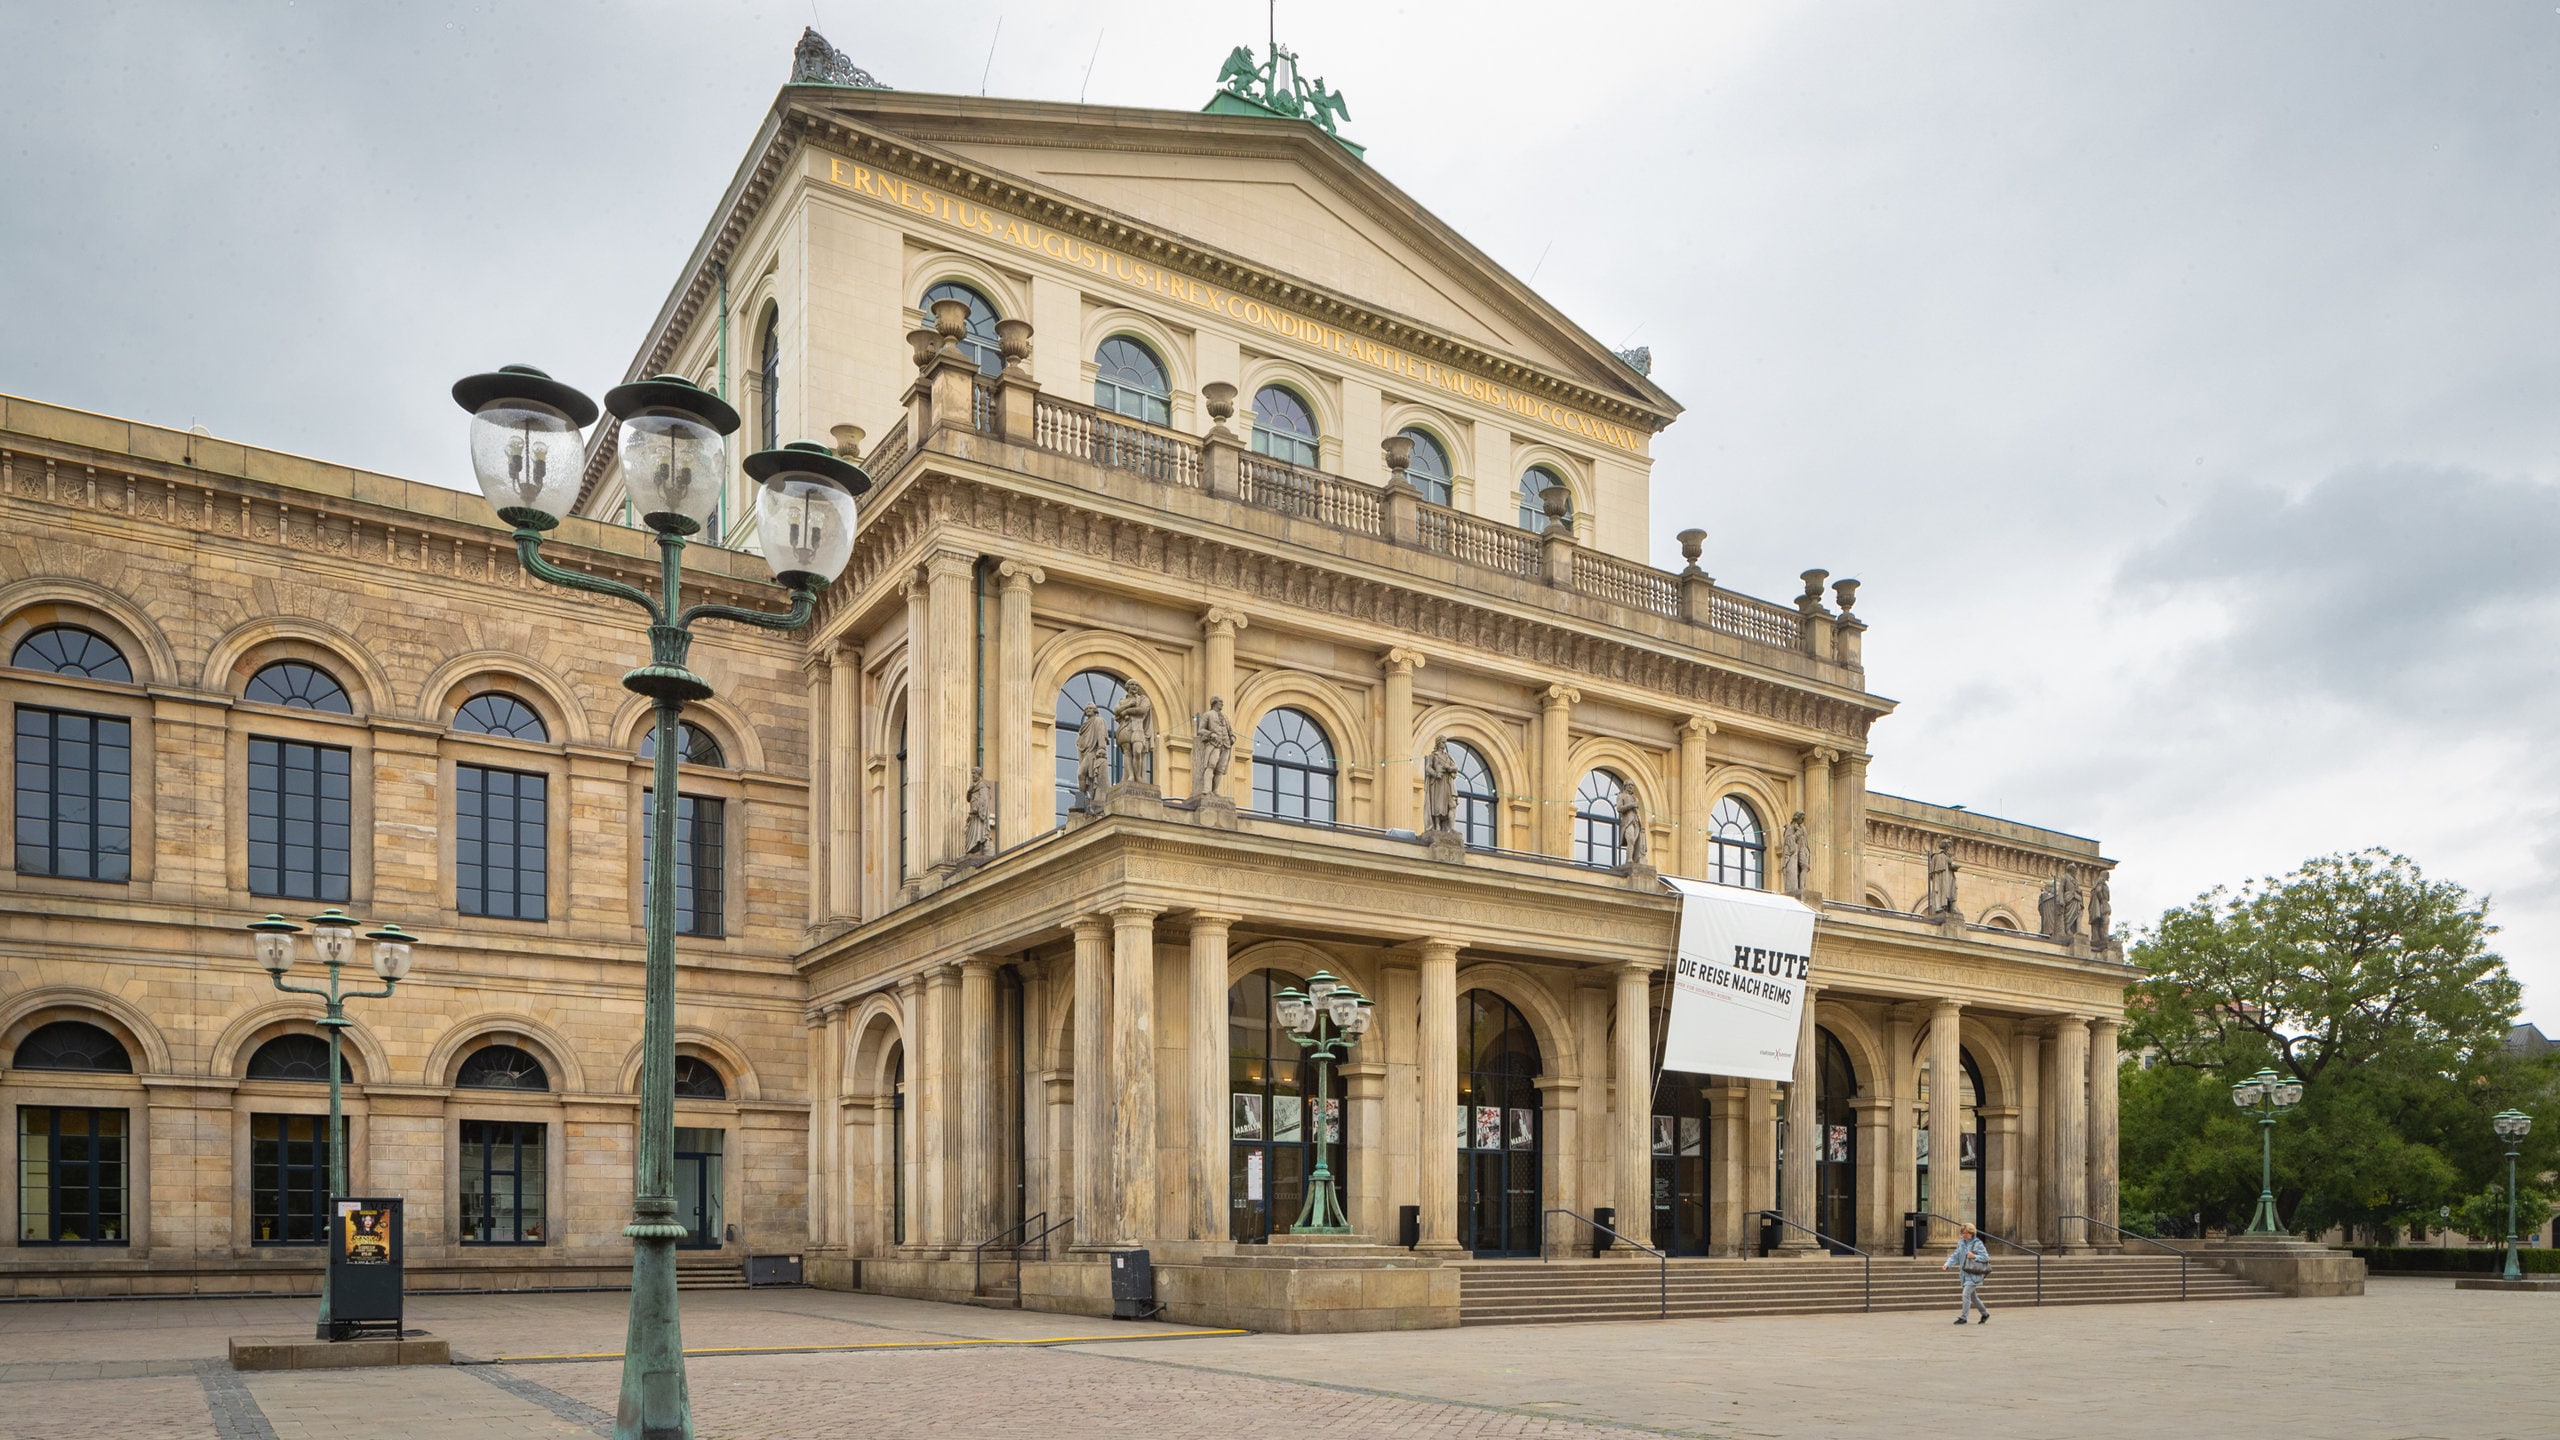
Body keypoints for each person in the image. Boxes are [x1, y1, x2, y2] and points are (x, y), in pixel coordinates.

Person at [1944, 1222, 1992, 1324]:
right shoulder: (1961, 1243)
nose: (1964, 1235)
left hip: (1974, 1274)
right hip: (1964, 1273)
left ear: (1971, 1232)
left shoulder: (1977, 1243)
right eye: (1962, 1233)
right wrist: (1947, 1264)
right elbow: (1955, 1255)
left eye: (1966, 1233)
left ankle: (1963, 1317)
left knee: (1966, 1295)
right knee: (1973, 1297)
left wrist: (1974, 1256)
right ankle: (1985, 1314)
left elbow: (1986, 1258)